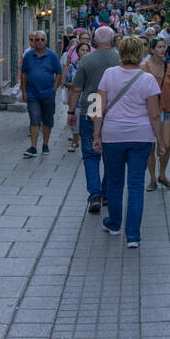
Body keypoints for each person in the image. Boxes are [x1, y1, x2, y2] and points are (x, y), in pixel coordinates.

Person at [93, 36, 165, 248]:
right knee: (135, 185)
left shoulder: (108, 74)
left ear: (120, 52)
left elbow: (98, 107)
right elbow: (154, 115)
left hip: (113, 135)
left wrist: (96, 135)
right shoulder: (148, 79)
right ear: (140, 53)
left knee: (114, 182)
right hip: (141, 136)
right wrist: (160, 141)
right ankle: (132, 235)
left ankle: (114, 224)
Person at [69, 25, 120, 214]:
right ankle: (106, 192)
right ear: (113, 41)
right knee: (110, 153)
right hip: (113, 108)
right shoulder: (119, 59)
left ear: (94, 42)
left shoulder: (86, 59)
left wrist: (71, 112)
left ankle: (95, 194)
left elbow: (76, 89)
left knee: (91, 154)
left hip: (92, 104)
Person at [142, 36, 170, 190]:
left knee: (166, 145)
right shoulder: (144, 68)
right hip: (149, 112)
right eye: (159, 47)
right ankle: (152, 178)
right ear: (152, 50)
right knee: (151, 146)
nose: (163, 49)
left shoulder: (168, 68)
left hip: (166, 110)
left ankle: (162, 174)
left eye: (164, 46)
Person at [20, 30, 62, 158]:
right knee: (34, 118)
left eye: (42, 39)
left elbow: (59, 72)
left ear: (46, 41)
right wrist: (24, 91)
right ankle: (33, 147)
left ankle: (45, 144)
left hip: (48, 93)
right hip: (32, 93)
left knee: (48, 120)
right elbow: (23, 73)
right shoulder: (28, 55)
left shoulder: (52, 55)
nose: (39, 42)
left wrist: (55, 87)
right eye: (37, 39)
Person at [65, 41, 90, 153]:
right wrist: (78, 84)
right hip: (76, 99)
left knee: (90, 122)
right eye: (82, 50)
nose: (84, 52)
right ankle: (75, 141)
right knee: (75, 121)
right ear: (77, 52)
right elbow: (66, 82)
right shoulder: (72, 66)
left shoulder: (92, 65)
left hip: (90, 99)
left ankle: (89, 141)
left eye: (87, 50)